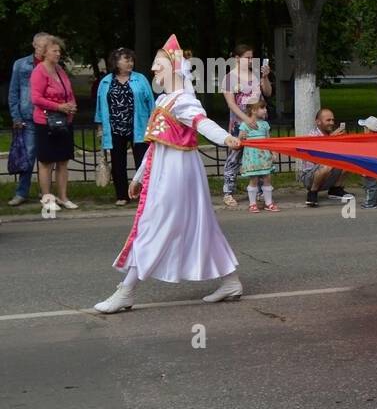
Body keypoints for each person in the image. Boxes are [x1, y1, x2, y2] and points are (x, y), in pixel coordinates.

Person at [94, 36, 243, 313]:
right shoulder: (164, 99)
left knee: (155, 226)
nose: (153, 70)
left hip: (178, 173)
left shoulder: (184, 100)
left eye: (158, 65)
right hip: (169, 169)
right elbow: (156, 145)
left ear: (175, 68)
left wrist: (226, 138)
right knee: (201, 226)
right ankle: (231, 281)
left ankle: (126, 291)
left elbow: (203, 123)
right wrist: (139, 176)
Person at [95, 47, 155, 205]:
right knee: (117, 162)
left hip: (139, 126)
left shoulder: (140, 79)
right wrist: (100, 126)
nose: (130, 63)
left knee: (142, 162)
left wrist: (153, 122)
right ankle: (122, 195)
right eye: (126, 59)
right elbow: (100, 106)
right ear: (116, 62)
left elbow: (151, 103)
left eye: (132, 60)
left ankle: (144, 194)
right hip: (114, 127)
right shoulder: (106, 81)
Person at [29, 35, 78, 211]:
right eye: (54, 50)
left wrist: (72, 106)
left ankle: (63, 197)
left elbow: (69, 92)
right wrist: (59, 106)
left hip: (63, 121)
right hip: (45, 122)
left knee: (63, 160)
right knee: (46, 161)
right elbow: (36, 98)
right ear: (44, 52)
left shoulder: (60, 70)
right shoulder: (39, 71)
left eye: (59, 50)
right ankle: (48, 198)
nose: (58, 53)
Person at [220, 44, 272, 208]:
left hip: (258, 125)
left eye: (252, 57)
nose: (250, 60)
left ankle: (260, 190)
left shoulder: (255, 76)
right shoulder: (229, 78)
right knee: (234, 158)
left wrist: (265, 77)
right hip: (239, 125)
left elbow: (268, 93)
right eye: (247, 57)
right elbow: (231, 103)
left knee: (260, 156)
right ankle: (228, 191)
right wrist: (245, 119)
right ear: (236, 58)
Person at [7, 32, 48, 206]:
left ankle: (44, 192)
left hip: (49, 116)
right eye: (41, 45)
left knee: (47, 157)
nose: (44, 49)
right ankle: (21, 192)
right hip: (28, 116)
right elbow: (13, 92)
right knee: (28, 155)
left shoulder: (52, 65)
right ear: (34, 45)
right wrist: (16, 116)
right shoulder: (21, 64)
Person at [301, 109, 350, 206]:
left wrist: (341, 140)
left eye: (332, 120)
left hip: (327, 173)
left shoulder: (331, 135)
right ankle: (312, 193)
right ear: (318, 122)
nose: (331, 123)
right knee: (327, 165)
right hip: (310, 176)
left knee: (350, 162)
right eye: (328, 120)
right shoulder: (312, 135)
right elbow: (318, 152)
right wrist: (331, 138)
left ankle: (335, 190)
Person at [239, 100, 277, 212]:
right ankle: (252, 203)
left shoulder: (265, 125)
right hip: (253, 157)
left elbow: (268, 140)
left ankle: (269, 202)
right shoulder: (245, 124)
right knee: (254, 179)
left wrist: (273, 152)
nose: (265, 110)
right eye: (262, 108)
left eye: (265, 108)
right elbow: (239, 139)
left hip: (264, 156)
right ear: (253, 110)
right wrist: (242, 137)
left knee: (267, 178)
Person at [357, 116, 377, 207]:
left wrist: (364, 169)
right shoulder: (376, 142)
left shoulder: (369, 143)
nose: (363, 130)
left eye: (364, 128)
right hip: (371, 167)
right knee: (371, 185)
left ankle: (371, 203)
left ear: (368, 130)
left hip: (369, 168)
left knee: (370, 186)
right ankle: (372, 202)